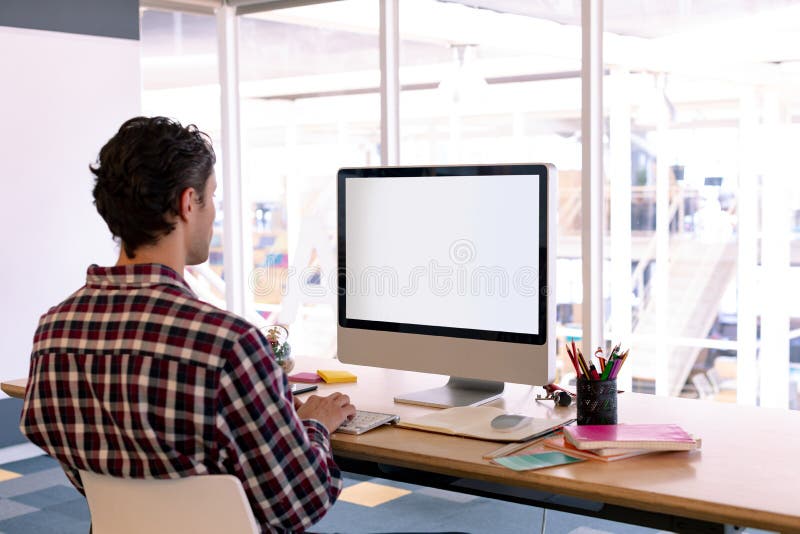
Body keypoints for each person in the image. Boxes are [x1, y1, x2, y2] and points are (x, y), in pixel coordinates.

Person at [19, 116, 356, 533]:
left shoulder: (53, 334)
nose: (214, 214)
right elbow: (301, 501)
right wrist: (315, 424)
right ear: (187, 202)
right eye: (211, 197)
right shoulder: (229, 345)